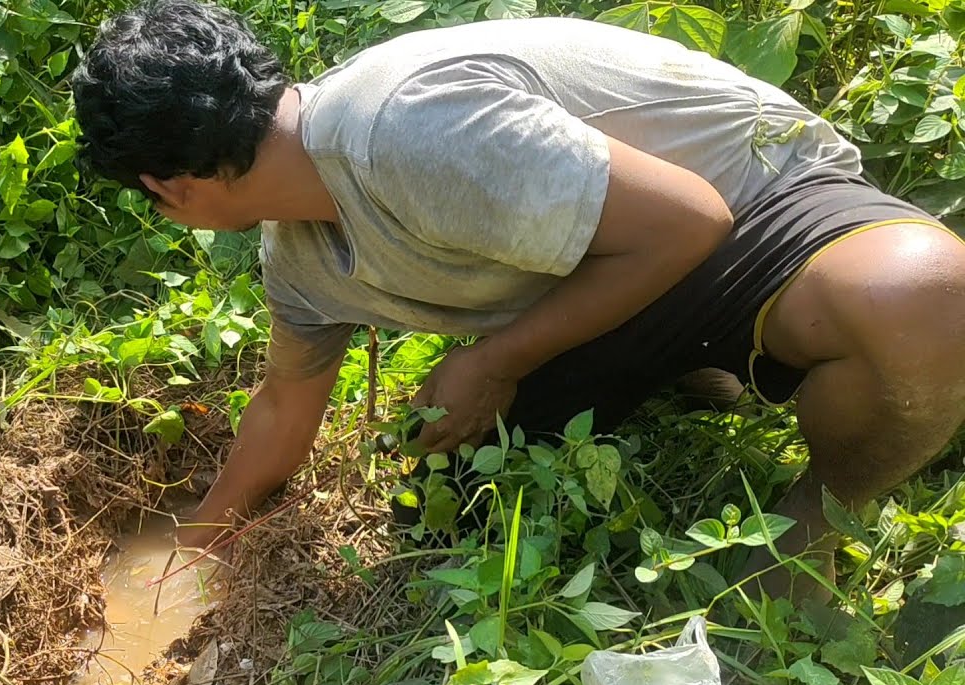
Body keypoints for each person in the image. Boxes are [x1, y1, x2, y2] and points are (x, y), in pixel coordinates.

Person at [68, 0, 965, 597]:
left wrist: (493, 362)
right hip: (606, 271)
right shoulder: (300, 258)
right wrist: (202, 530)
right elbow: (282, 407)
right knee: (447, 511)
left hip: (751, 206)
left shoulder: (408, 126)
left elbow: (689, 221)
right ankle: (702, 374)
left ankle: (819, 514)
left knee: (923, 295)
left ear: (167, 187)